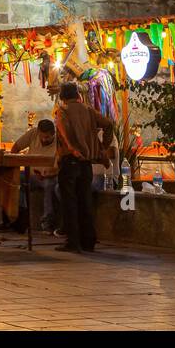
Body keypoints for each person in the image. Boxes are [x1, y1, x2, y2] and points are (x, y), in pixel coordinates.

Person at [54, 83, 115, 255]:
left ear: (62, 97)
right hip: (86, 163)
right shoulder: (88, 110)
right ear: (77, 95)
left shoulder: (63, 111)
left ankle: (73, 242)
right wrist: (103, 146)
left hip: (70, 160)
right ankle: (89, 241)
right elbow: (109, 124)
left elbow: (64, 132)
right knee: (85, 200)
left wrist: (72, 148)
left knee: (70, 202)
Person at [11, 118, 59, 230]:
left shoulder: (60, 142)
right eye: (41, 136)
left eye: (47, 137)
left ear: (53, 134)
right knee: (15, 180)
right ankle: (19, 216)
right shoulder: (33, 133)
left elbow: (60, 166)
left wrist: (49, 173)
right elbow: (16, 147)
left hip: (49, 176)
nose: (43, 139)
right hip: (31, 175)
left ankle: (47, 222)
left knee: (49, 186)